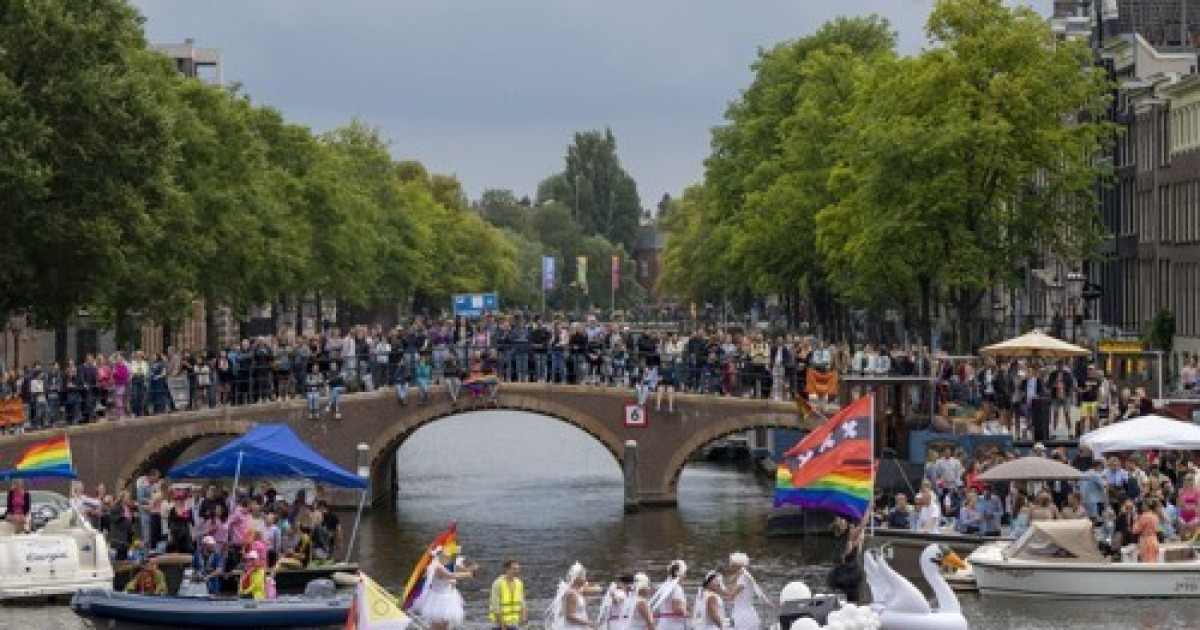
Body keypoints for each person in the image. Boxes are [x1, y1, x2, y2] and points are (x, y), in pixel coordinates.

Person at [415, 547, 478, 630]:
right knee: (438, 624)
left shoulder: (442, 565)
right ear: (439, 556)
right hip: (439, 599)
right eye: (446, 556)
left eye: (448, 556)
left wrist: (470, 568)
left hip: (447, 597)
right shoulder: (437, 567)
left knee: (444, 624)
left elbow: (456, 572)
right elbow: (450, 575)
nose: (448, 558)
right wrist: (468, 574)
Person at [725, 553, 766, 630]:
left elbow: (730, 597)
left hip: (743, 617)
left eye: (732, 564)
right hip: (746, 613)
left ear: (738, 566)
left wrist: (727, 584)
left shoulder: (743, 579)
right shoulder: (744, 576)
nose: (730, 566)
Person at [649, 560, 688, 630]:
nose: (685, 576)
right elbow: (677, 609)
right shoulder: (676, 588)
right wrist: (687, 613)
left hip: (662, 624)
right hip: (673, 626)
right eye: (684, 573)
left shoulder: (662, 586)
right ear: (680, 574)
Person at [490, 559, 526, 630]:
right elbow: (495, 607)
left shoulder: (519, 583)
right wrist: (503, 626)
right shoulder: (497, 583)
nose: (517, 571)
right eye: (514, 569)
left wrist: (523, 618)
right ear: (507, 569)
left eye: (518, 569)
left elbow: (522, 603)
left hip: (513, 623)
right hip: (498, 625)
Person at [1131, 498, 1161, 563]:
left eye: (1143, 505)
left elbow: (1135, 530)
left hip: (1146, 542)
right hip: (1154, 540)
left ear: (1146, 506)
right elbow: (1158, 529)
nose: (1142, 507)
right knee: (1154, 562)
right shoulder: (1155, 516)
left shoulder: (1144, 516)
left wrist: (1135, 520)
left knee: (1146, 563)